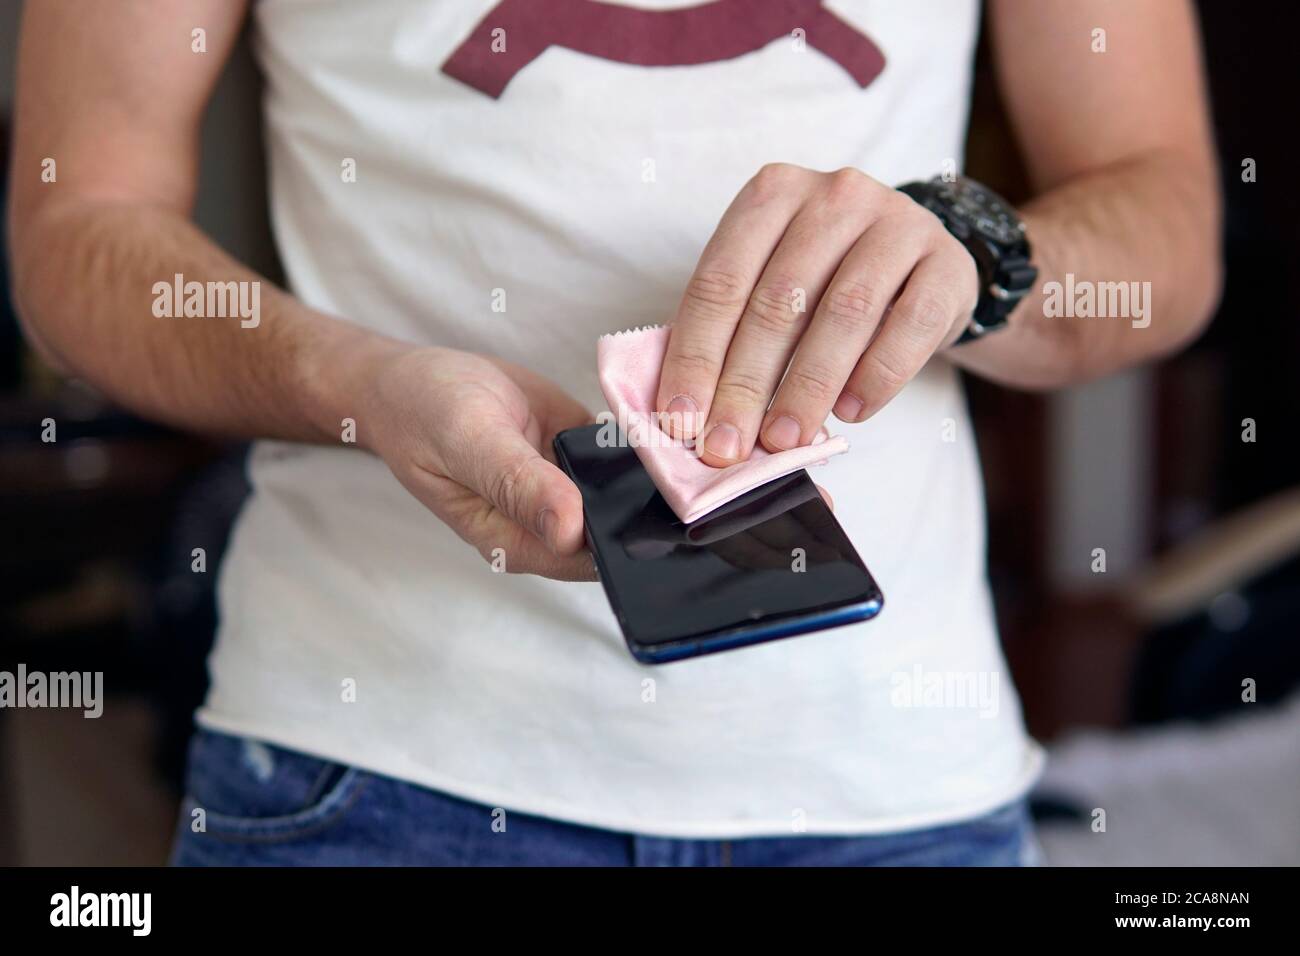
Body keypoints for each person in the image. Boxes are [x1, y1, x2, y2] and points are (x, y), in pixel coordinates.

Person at [7, 0, 1220, 866]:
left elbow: (1164, 220)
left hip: (892, 783)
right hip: (371, 767)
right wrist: (356, 382)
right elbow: (79, 229)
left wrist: (972, 254)